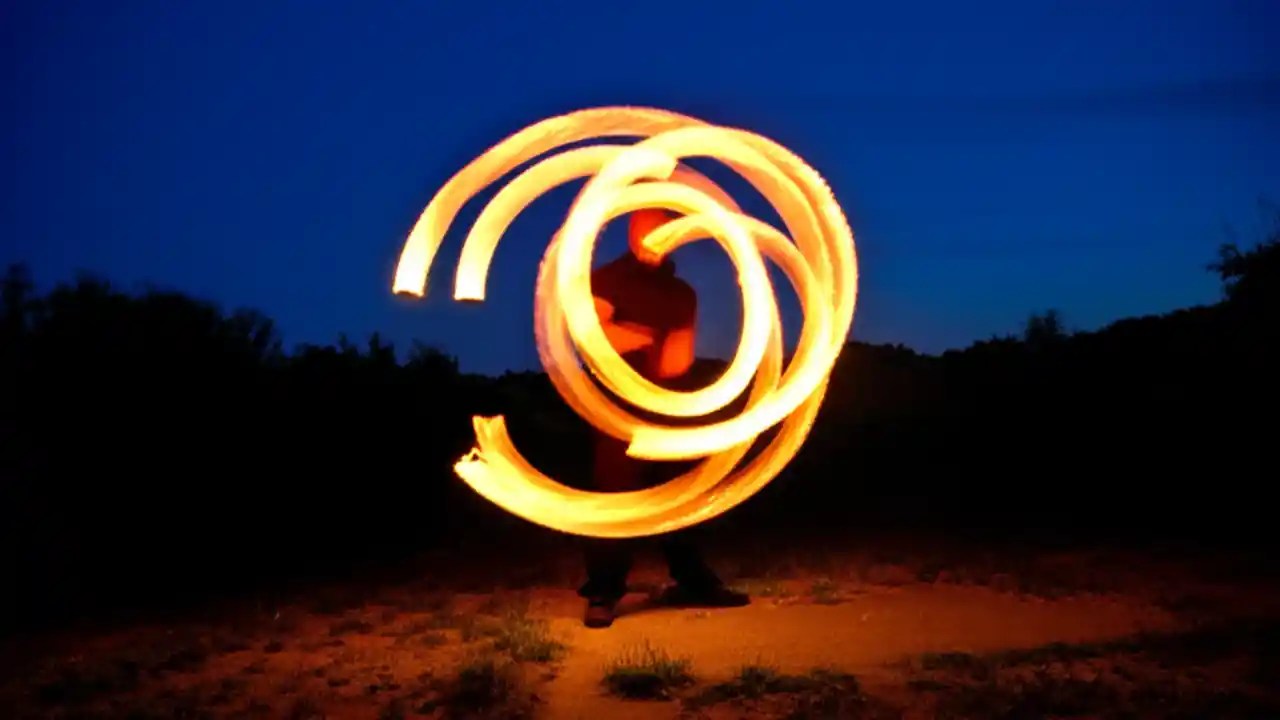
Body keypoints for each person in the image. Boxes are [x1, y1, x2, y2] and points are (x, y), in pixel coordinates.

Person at [578, 207, 749, 629]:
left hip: (667, 408)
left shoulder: (683, 294)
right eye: (647, 225)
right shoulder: (603, 280)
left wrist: (657, 349)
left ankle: (693, 580)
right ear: (632, 227)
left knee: (680, 494)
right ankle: (604, 589)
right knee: (616, 500)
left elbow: (676, 364)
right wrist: (645, 337)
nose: (656, 235)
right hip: (616, 412)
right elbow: (593, 340)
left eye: (666, 228)